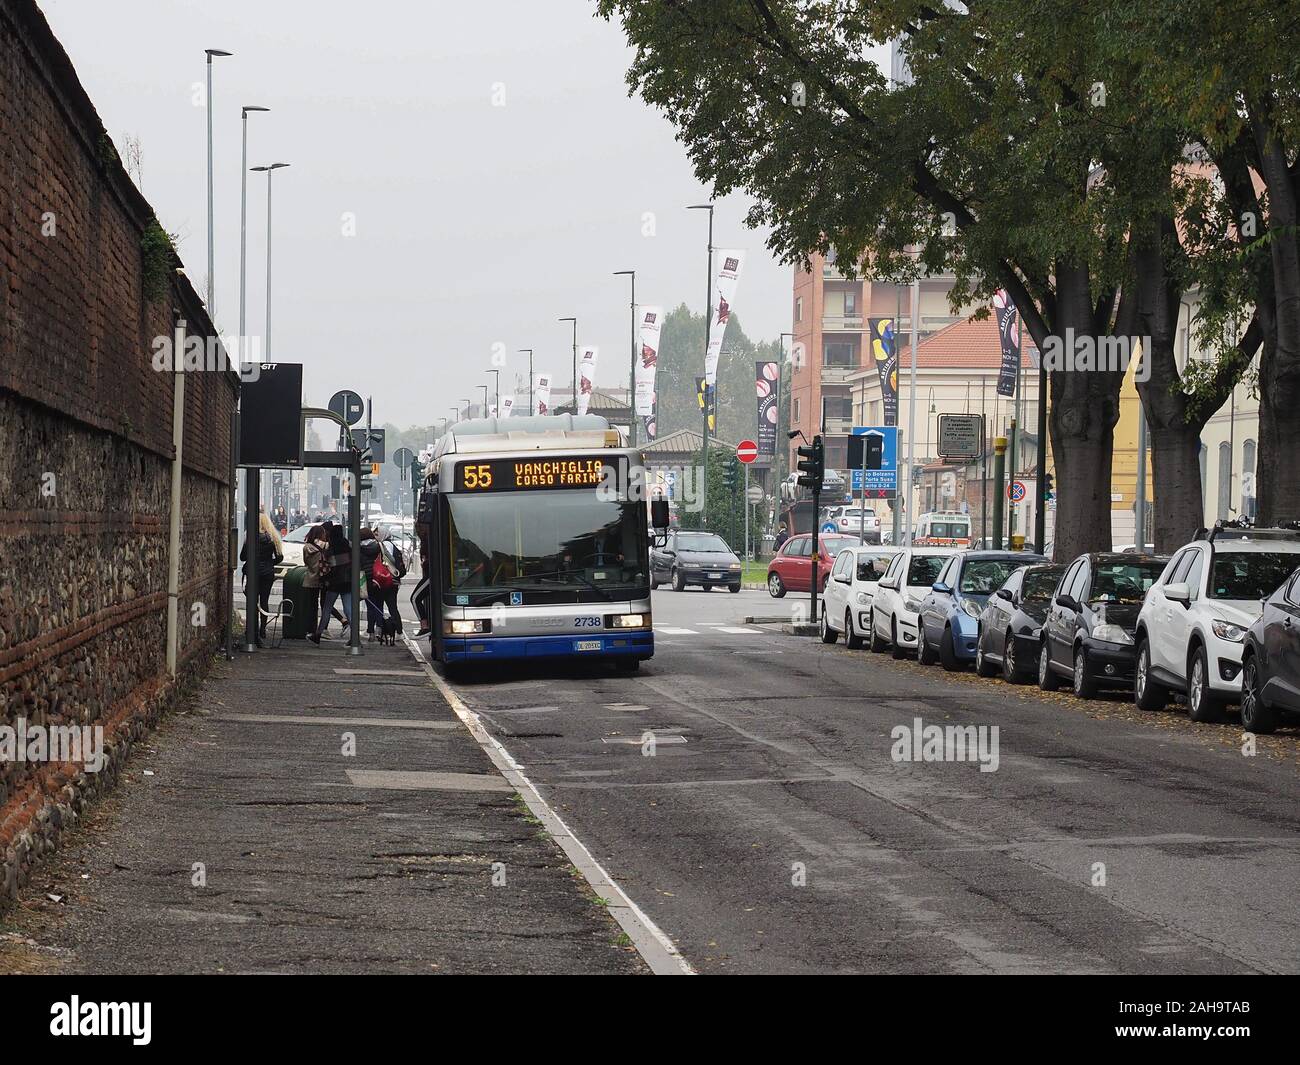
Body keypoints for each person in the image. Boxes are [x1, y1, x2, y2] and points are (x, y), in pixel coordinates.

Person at [240, 512, 283, 647]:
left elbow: (242, 557)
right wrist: (269, 563)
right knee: (264, 601)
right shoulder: (272, 538)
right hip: (267, 573)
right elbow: (279, 557)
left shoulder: (250, 538)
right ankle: (263, 629)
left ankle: (251, 629)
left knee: (252, 601)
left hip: (253, 573)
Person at [310, 523, 354, 645]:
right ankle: (354, 637)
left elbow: (330, 567)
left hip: (334, 582)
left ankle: (318, 634)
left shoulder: (331, 548)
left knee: (327, 608)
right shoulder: (348, 546)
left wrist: (325, 579)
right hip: (347, 581)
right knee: (348, 609)